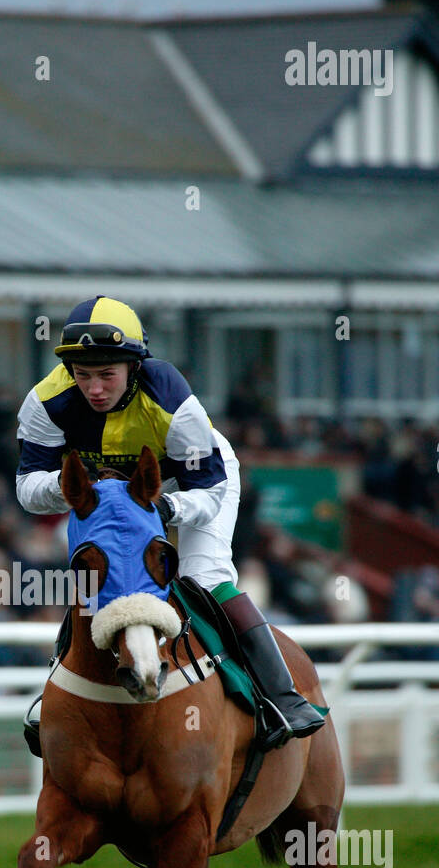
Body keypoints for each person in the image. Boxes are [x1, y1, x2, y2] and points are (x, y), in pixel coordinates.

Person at [16, 295, 325, 753]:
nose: (95, 388)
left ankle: (280, 696)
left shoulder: (170, 396)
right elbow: (27, 489)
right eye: (83, 375)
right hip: (107, 495)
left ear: (134, 366)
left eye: (107, 375)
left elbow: (211, 489)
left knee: (204, 575)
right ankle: (58, 693)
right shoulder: (46, 401)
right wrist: (78, 491)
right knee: (96, 574)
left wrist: (165, 509)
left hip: (191, 482)